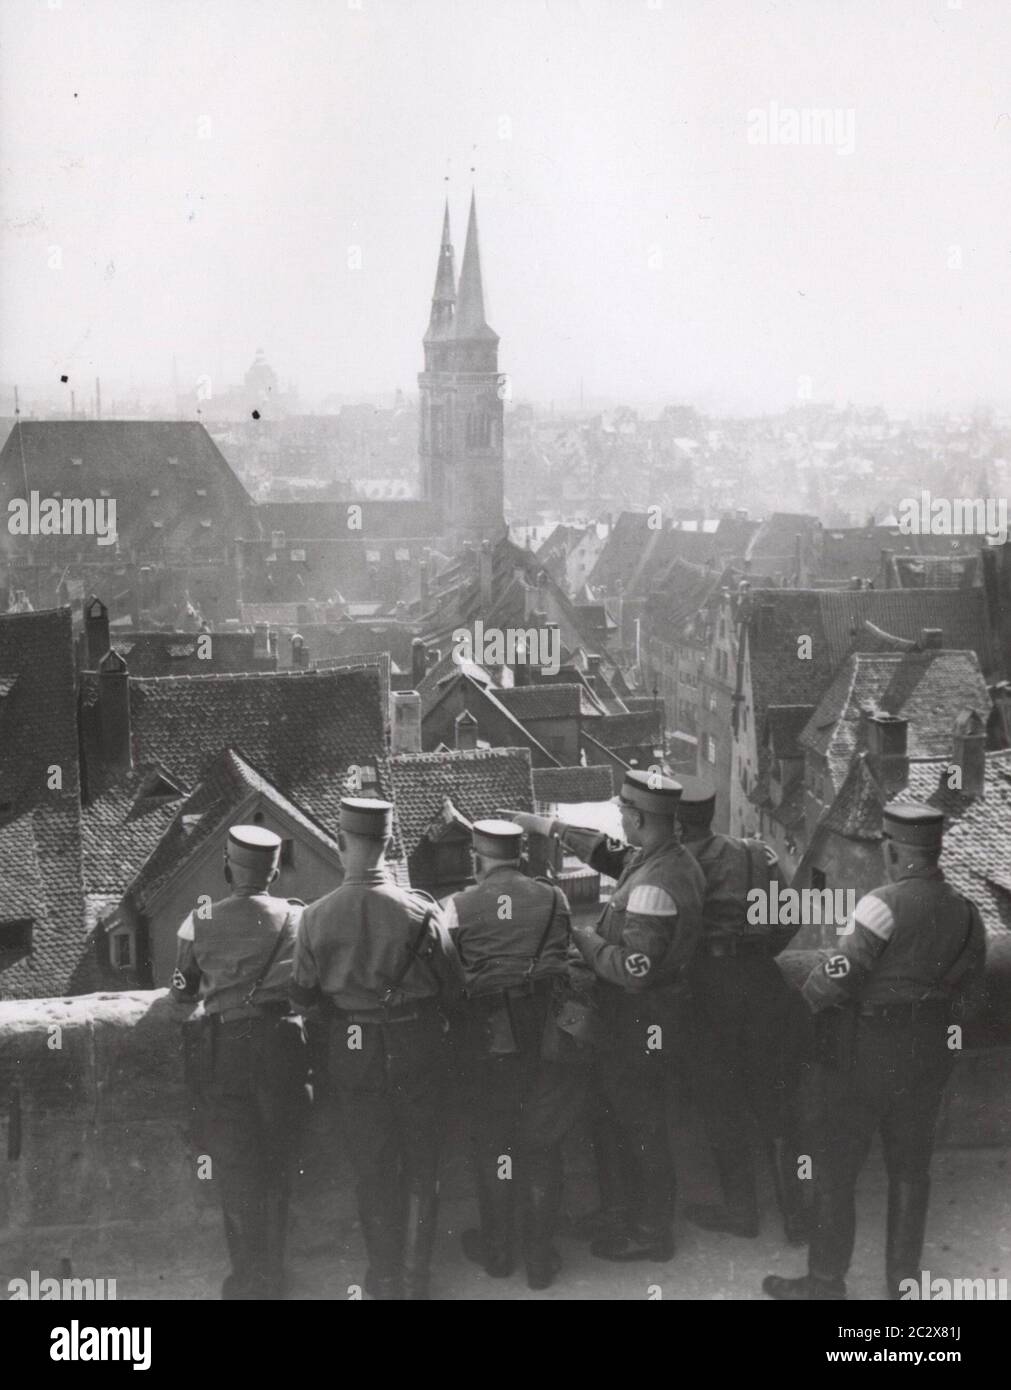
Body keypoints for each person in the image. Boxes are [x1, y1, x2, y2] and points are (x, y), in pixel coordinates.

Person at [763, 802, 987, 1301]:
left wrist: (805, 1006)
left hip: (864, 1054)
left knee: (836, 1171)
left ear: (891, 849)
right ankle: (903, 1286)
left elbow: (837, 977)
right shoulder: (968, 914)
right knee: (911, 1171)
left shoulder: (881, 904)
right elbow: (972, 993)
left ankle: (825, 1282)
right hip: (928, 1055)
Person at [504, 768, 704, 1262]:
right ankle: (622, 1211)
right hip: (643, 1015)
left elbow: (632, 968)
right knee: (619, 1115)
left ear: (639, 817)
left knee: (641, 1122)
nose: (620, 820)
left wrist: (584, 936)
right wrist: (547, 827)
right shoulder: (666, 859)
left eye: (623, 813)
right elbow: (610, 852)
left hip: (644, 1016)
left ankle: (652, 1232)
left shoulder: (656, 885)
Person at [290, 797, 455, 1301]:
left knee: (372, 1166)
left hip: (353, 1045)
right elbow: (453, 985)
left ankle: (383, 1278)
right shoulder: (422, 910)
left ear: (341, 842)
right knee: (423, 1164)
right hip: (416, 1042)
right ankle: (416, 1278)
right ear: (390, 844)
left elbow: (301, 995)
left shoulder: (315, 917)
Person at [442, 818, 589, 1291]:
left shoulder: (457, 907)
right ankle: (540, 1259)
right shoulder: (554, 897)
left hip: (491, 1037)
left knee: (495, 1144)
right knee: (543, 1144)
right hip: (549, 1033)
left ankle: (499, 1252)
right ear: (522, 856)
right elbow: (568, 957)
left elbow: (447, 978)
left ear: (476, 858)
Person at [171, 824, 309, 1300]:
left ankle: (250, 1284)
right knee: (278, 1163)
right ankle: (276, 1275)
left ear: (227, 866)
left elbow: (180, 989)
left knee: (237, 1170)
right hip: (283, 1047)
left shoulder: (200, 919)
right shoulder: (298, 918)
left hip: (226, 1049)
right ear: (273, 871)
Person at [675, 775, 810, 1245]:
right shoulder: (755, 852)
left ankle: (741, 1212)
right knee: (783, 1107)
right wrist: (757, 949)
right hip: (763, 985)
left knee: (721, 1105)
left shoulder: (671, 864)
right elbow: (790, 918)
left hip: (706, 993)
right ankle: (800, 1217)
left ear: (674, 821)